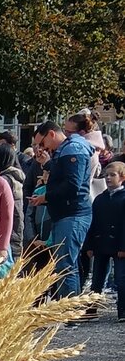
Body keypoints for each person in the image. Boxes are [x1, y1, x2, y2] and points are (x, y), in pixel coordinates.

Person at [39, 114, 96, 296]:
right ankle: (70, 311)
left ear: (50, 134)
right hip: (67, 214)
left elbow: (72, 185)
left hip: (72, 214)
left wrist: (46, 197)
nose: (43, 148)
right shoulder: (67, 149)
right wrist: (48, 165)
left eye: (42, 143)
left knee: (65, 264)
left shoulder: (73, 149)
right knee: (65, 263)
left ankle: (69, 313)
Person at [83, 159, 125, 308]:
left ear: (122, 178)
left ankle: (122, 310)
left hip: (118, 244)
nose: (108, 178)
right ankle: (92, 308)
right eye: (106, 175)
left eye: (112, 175)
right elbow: (92, 223)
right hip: (100, 243)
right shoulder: (100, 199)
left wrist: (123, 247)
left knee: (121, 278)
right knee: (97, 278)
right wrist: (89, 245)